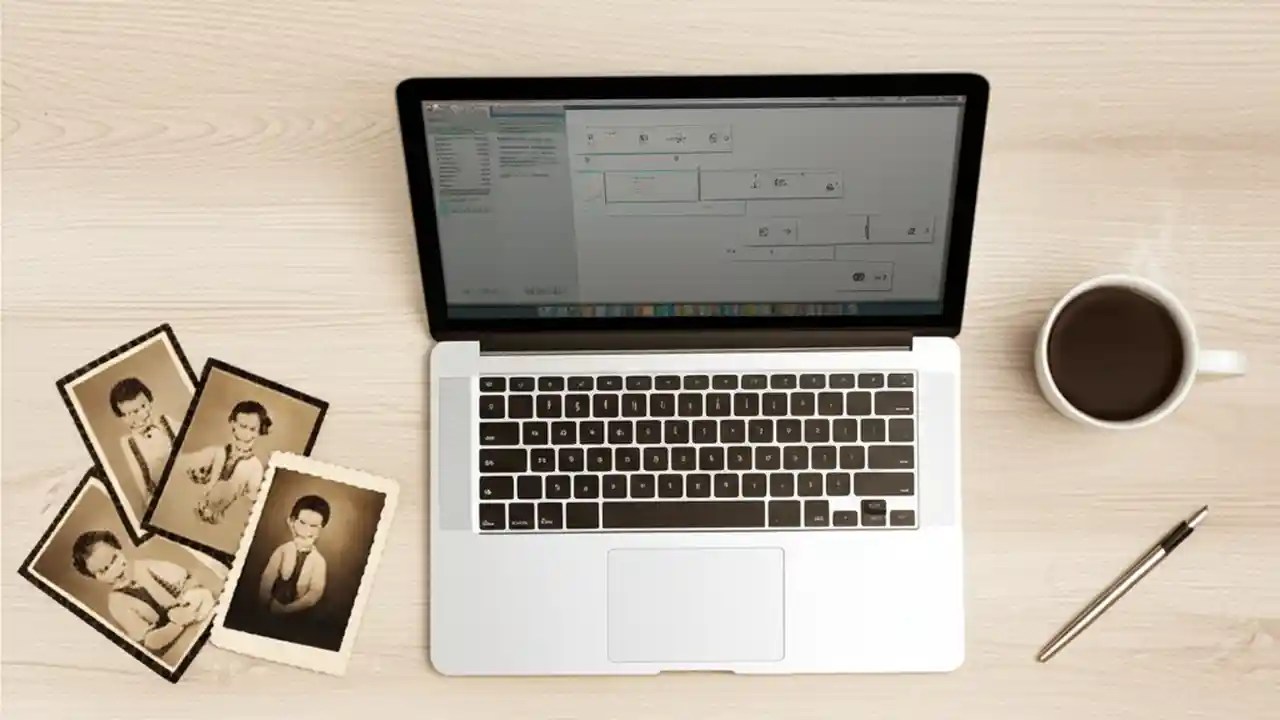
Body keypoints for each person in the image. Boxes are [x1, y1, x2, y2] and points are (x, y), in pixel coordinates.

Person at [71, 530, 215, 657]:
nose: (114, 570)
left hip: (190, 609)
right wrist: (176, 625)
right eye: (103, 570)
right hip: (171, 641)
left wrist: (188, 600)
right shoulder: (116, 603)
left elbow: (187, 580)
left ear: (119, 549)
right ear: (94, 577)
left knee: (201, 596)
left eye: (114, 559)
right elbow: (148, 641)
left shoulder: (145, 565)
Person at [183, 400, 270, 524]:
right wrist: (196, 475)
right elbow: (188, 467)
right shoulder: (215, 451)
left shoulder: (255, 467)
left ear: (259, 431)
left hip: (224, 521)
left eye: (252, 429)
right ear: (233, 424)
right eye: (243, 426)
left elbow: (249, 504)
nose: (246, 434)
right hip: (193, 513)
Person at [258, 495, 330, 619]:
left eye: (314, 526)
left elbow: (314, 593)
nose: (307, 530)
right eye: (302, 523)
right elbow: (266, 580)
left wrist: (287, 610)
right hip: (272, 608)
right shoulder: (282, 551)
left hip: (298, 615)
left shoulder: (319, 561)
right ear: (291, 521)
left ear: (321, 528)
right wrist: (268, 604)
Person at [109, 378, 178, 503]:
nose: (141, 415)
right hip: (167, 501)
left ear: (150, 401)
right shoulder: (128, 444)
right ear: (122, 417)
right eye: (131, 413)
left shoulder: (167, 422)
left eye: (143, 406)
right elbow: (143, 488)